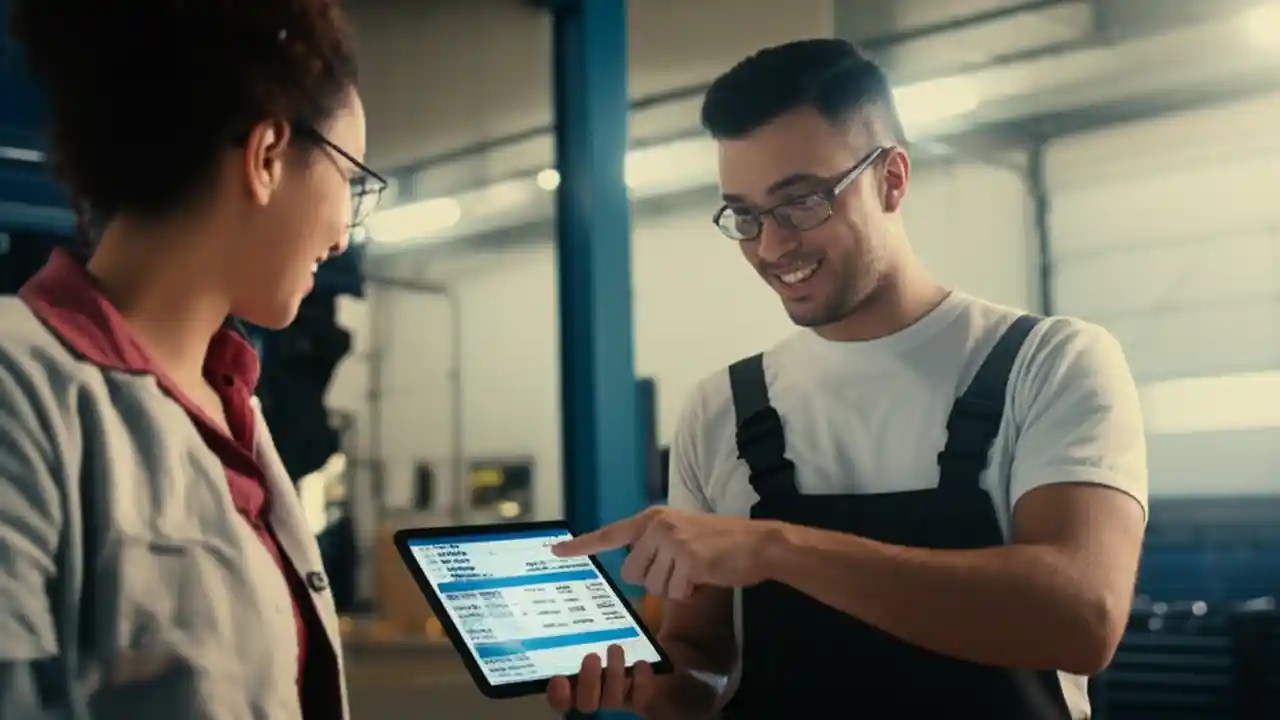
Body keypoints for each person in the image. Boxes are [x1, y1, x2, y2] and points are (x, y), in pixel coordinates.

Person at [545, 38, 1147, 719]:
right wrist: (658, 683)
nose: (771, 246)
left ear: (892, 178)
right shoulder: (721, 410)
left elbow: (1081, 617)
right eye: (745, 216)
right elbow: (703, 659)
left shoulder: (1048, 364)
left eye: (801, 203)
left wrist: (777, 548)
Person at [0, 1, 385, 718]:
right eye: (352, 182)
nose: (343, 236)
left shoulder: (233, 405)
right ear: (266, 156)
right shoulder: (18, 390)